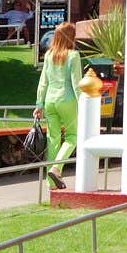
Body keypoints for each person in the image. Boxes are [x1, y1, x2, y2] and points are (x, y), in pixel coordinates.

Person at [34, 22, 82, 189]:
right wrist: (83, 104)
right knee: (72, 136)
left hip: (50, 101)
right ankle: (56, 168)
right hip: (67, 100)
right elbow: (77, 84)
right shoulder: (74, 56)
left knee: (52, 139)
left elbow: (43, 82)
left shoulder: (49, 55)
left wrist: (39, 104)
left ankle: (50, 183)